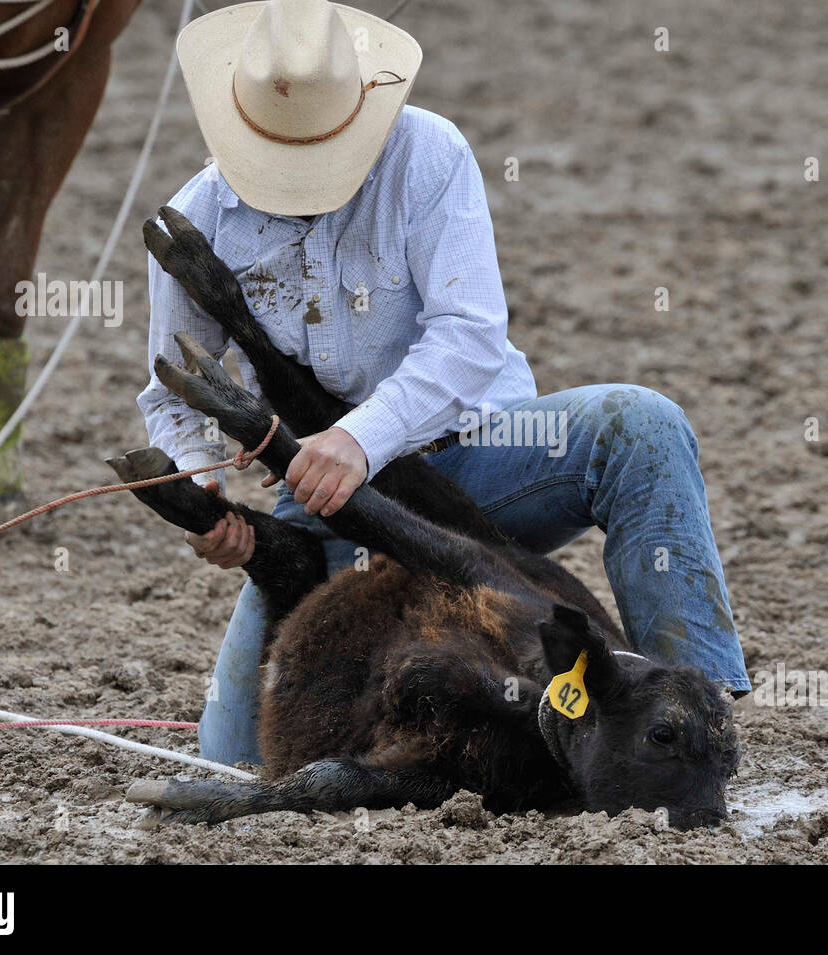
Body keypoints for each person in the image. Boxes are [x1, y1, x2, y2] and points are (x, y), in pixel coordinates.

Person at [138, 0, 750, 765]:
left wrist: (361, 438)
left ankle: (690, 708)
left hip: (482, 459)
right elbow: (171, 397)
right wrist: (201, 493)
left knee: (643, 427)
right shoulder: (201, 219)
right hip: (335, 508)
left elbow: (470, 336)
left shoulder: (428, 154)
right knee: (228, 757)